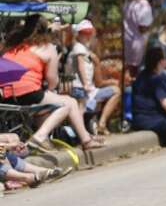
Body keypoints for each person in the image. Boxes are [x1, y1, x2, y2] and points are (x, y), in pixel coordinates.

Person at [0, 18, 102, 150]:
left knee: (44, 106)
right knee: (69, 102)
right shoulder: (47, 48)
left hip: (5, 95)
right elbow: (53, 82)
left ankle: (46, 142)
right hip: (28, 93)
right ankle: (43, 137)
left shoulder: (10, 47)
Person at [68, 20, 119, 135]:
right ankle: (82, 134)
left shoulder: (84, 50)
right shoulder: (79, 48)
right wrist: (86, 83)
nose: (87, 36)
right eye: (84, 33)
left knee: (82, 108)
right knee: (80, 109)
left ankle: (94, 127)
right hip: (80, 86)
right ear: (78, 34)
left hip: (87, 89)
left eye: (89, 33)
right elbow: (81, 65)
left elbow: (98, 80)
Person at [122, 0, 155, 75]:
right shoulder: (143, 5)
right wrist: (157, 24)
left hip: (128, 42)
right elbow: (143, 28)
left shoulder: (128, 4)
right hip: (140, 45)